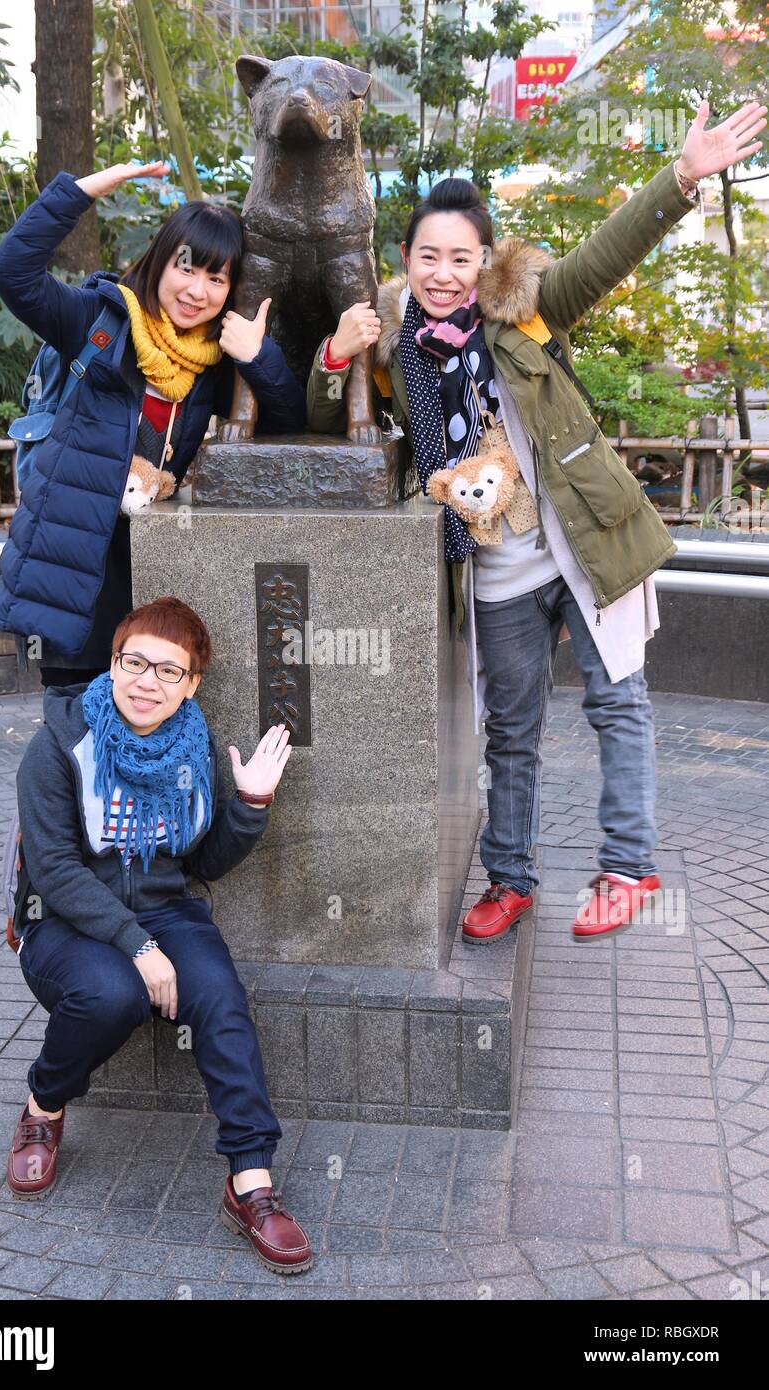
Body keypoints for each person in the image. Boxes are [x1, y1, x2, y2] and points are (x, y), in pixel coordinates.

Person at [306, 100, 766, 943]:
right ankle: (510, 879)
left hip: (580, 539)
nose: (445, 272)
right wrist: (335, 353)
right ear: (405, 259)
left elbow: (605, 252)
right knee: (510, 732)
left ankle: (628, 867)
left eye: (462, 257)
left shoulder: (524, 308)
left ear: (485, 262)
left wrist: (681, 177)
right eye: (429, 256)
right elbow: (322, 414)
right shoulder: (388, 336)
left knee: (617, 700)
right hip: (491, 571)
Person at [6, 596, 313, 1276]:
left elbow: (197, 863)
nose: (147, 681)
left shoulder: (192, 745)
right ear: (113, 664)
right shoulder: (61, 740)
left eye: (167, 670)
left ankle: (251, 1181)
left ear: (192, 683)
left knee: (221, 999)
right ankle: (43, 1103)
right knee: (113, 993)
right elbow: (54, 871)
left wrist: (251, 807)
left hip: (167, 911)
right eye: (134, 662)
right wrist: (137, 947)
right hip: (63, 922)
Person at [0, 161, 306, 688]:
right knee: (77, 734)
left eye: (216, 277)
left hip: (157, 574)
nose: (196, 290)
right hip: (74, 573)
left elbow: (290, 427)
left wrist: (258, 358)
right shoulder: (99, 321)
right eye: (186, 267)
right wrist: (81, 191)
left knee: (148, 735)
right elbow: (12, 273)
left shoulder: (214, 359)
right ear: (160, 261)